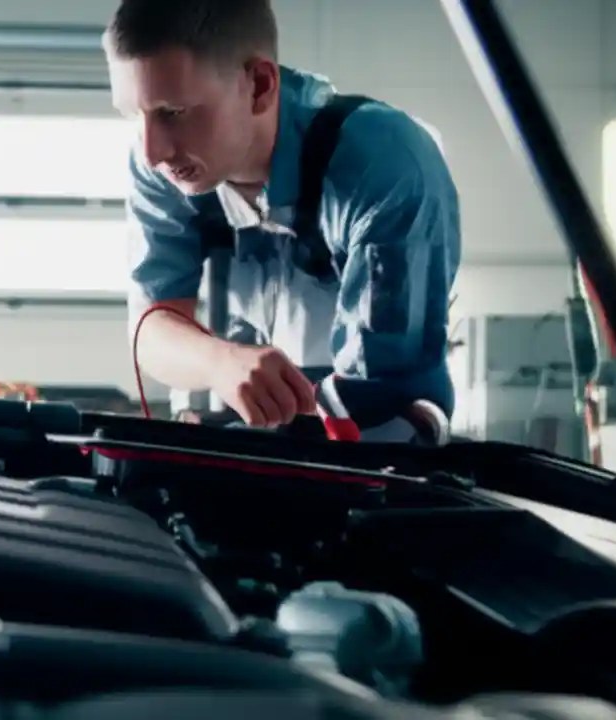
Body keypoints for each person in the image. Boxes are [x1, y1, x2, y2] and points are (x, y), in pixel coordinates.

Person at [105, 0, 461, 430]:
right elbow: (151, 332)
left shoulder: (385, 162)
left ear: (259, 85)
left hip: (362, 444)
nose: (152, 151)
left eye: (174, 112)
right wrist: (220, 363)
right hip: (232, 436)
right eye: (135, 115)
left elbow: (383, 396)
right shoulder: (165, 167)